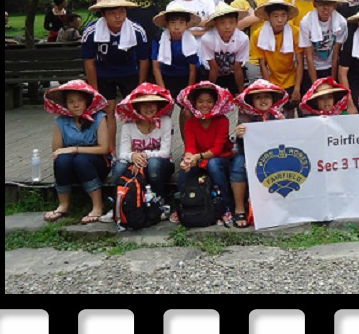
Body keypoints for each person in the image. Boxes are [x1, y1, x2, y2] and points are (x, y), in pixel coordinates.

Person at [82, 0, 150, 153]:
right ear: (104, 14)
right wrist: (95, 91)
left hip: (128, 72)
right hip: (103, 73)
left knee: (134, 110)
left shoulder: (137, 30)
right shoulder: (91, 32)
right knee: (108, 110)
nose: (118, 17)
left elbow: (143, 60)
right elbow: (89, 62)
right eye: (112, 13)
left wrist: (140, 86)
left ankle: (137, 149)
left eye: (121, 12)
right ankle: (110, 151)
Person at [42, 80, 110, 224]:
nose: (76, 104)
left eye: (80, 100)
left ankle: (98, 206)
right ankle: (63, 204)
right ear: (66, 104)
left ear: (87, 101)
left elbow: (104, 148)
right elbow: (57, 150)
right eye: (71, 101)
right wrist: (67, 151)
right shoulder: (61, 121)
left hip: (96, 164)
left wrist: (75, 149)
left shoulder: (99, 118)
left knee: (82, 159)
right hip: (71, 167)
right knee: (62, 159)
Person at [171, 81, 236, 224]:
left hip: (220, 157)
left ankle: (226, 206)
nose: (204, 105)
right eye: (200, 101)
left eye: (209, 101)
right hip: (198, 157)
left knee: (213, 165)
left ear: (215, 103)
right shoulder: (191, 122)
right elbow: (190, 146)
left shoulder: (223, 121)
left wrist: (197, 156)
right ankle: (181, 205)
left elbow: (217, 149)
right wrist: (188, 159)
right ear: (194, 103)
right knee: (185, 168)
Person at [231, 80, 289, 227]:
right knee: (238, 165)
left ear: (273, 99)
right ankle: (239, 209)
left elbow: (288, 141)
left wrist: (285, 129)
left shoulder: (280, 116)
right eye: (258, 97)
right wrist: (239, 135)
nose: (263, 100)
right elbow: (241, 147)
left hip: (275, 157)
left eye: (266, 96)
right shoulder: (245, 116)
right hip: (250, 157)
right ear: (252, 101)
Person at [112, 83, 175, 198]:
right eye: (144, 105)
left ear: (158, 105)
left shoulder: (166, 121)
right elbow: (123, 154)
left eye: (152, 104)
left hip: (161, 165)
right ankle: (122, 202)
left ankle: (158, 199)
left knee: (154, 164)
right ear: (137, 107)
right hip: (135, 163)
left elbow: (165, 152)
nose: (149, 108)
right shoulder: (128, 125)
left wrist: (143, 155)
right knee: (118, 168)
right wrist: (133, 157)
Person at [252, 0, 304, 117]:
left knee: (292, 111)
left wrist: (297, 88)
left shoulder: (295, 32)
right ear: (269, 17)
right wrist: (269, 88)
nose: (280, 20)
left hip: (292, 77)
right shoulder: (258, 35)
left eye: (283, 15)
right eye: (275, 16)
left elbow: (300, 61)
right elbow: (262, 64)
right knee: (273, 113)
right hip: (272, 79)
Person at [232, 0, 281, 81]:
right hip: (252, 57)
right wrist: (256, 17)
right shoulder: (242, 2)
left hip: (280, 57)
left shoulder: (282, 0)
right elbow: (229, 27)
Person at [297, 0, 349, 96]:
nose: (326, 8)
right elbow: (308, 57)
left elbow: (336, 55)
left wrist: (333, 81)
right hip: (310, 68)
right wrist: (315, 85)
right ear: (315, 4)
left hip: (330, 66)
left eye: (329, 4)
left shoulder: (341, 22)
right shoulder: (306, 22)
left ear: (335, 5)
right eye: (321, 4)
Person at [151, 1, 201, 100]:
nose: (177, 27)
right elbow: (156, 67)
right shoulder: (159, 39)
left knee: (186, 109)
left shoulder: (190, 41)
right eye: (173, 22)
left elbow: (192, 69)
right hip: (166, 77)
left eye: (181, 23)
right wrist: (163, 91)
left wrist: (188, 92)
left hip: (186, 76)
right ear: (167, 24)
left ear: (187, 24)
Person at [199, 2, 250, 95]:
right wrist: (211, 92)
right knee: (207, 94)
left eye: (231, 22)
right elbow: (213, 67)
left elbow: (237, 67)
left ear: (236, 22)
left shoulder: (243, 39)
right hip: (210, 71)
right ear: (215, 23)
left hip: (231, 71)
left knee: (238, 93)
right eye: (222, 23)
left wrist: (242, 93)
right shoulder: (207, 39)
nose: (227, 27)